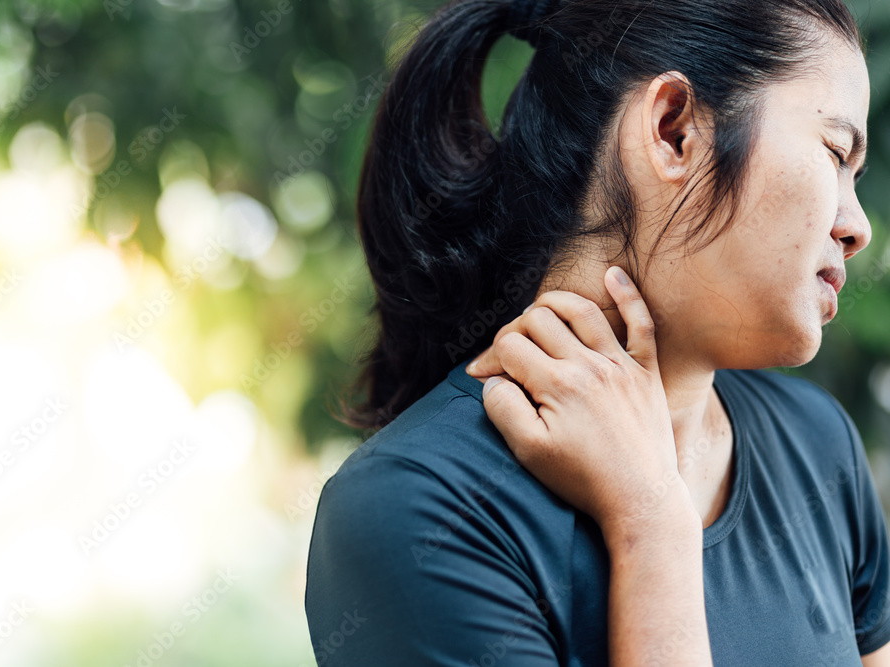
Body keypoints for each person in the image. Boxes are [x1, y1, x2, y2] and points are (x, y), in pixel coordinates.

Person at [304, 0, 890, 664]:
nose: (857, 224)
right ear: (674, 130)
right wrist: (653, 530)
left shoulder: (819, 446)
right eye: (836, 153)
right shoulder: (420, 508)